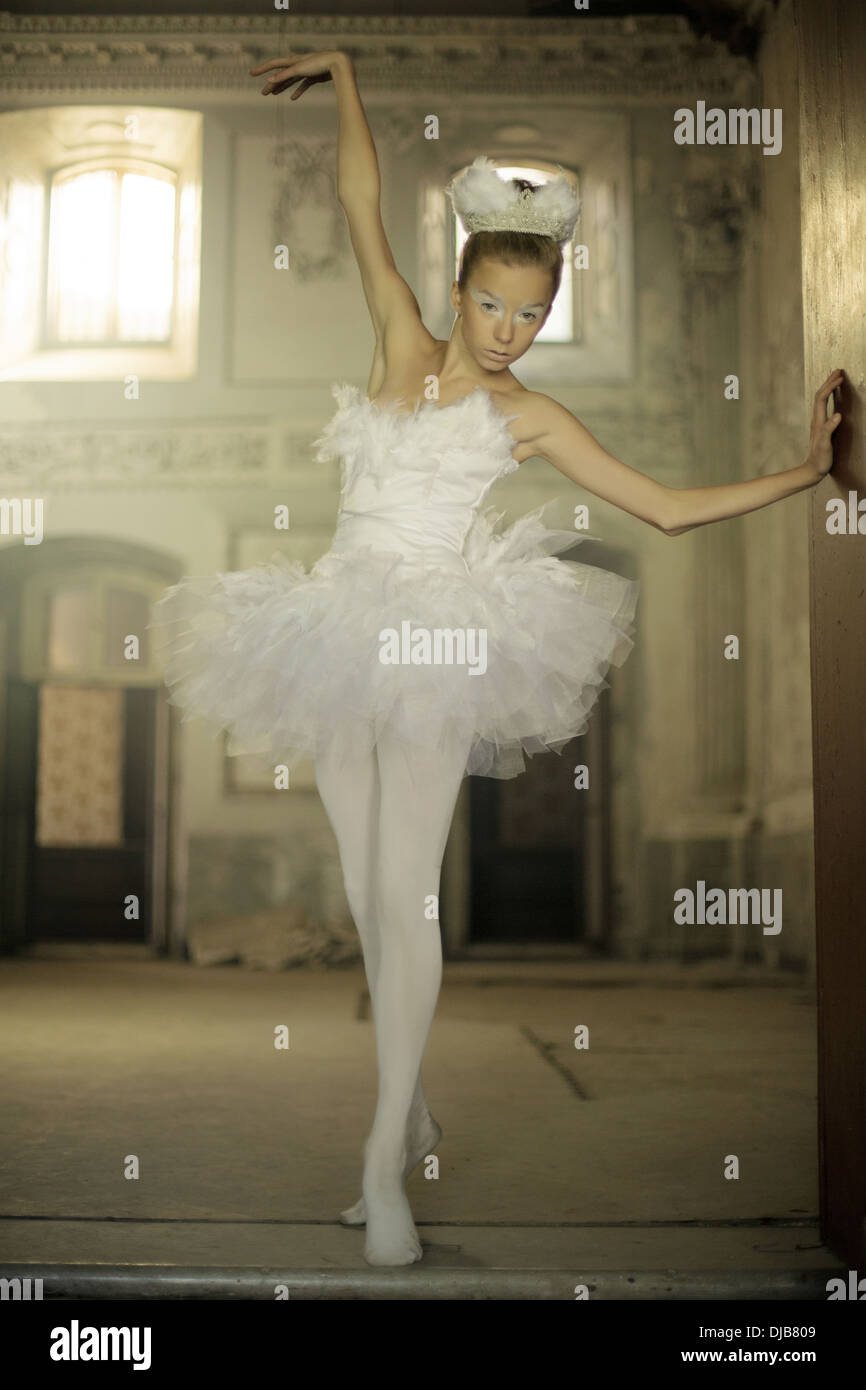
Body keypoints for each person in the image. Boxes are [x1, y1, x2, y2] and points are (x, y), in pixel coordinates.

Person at [149, 49, 842, 1267]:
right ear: (456, 289)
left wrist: (803, 468)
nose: (511, 330)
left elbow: (667, 509)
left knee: (407, 893)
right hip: (328, 627)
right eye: (492, 305)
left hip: (434, 641)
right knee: (366, 896)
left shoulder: (531, 416)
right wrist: (348, 74)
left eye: (533, 312)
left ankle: (381, 1158)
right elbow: (360, 200)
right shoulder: (396, 346)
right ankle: (409, 1098)